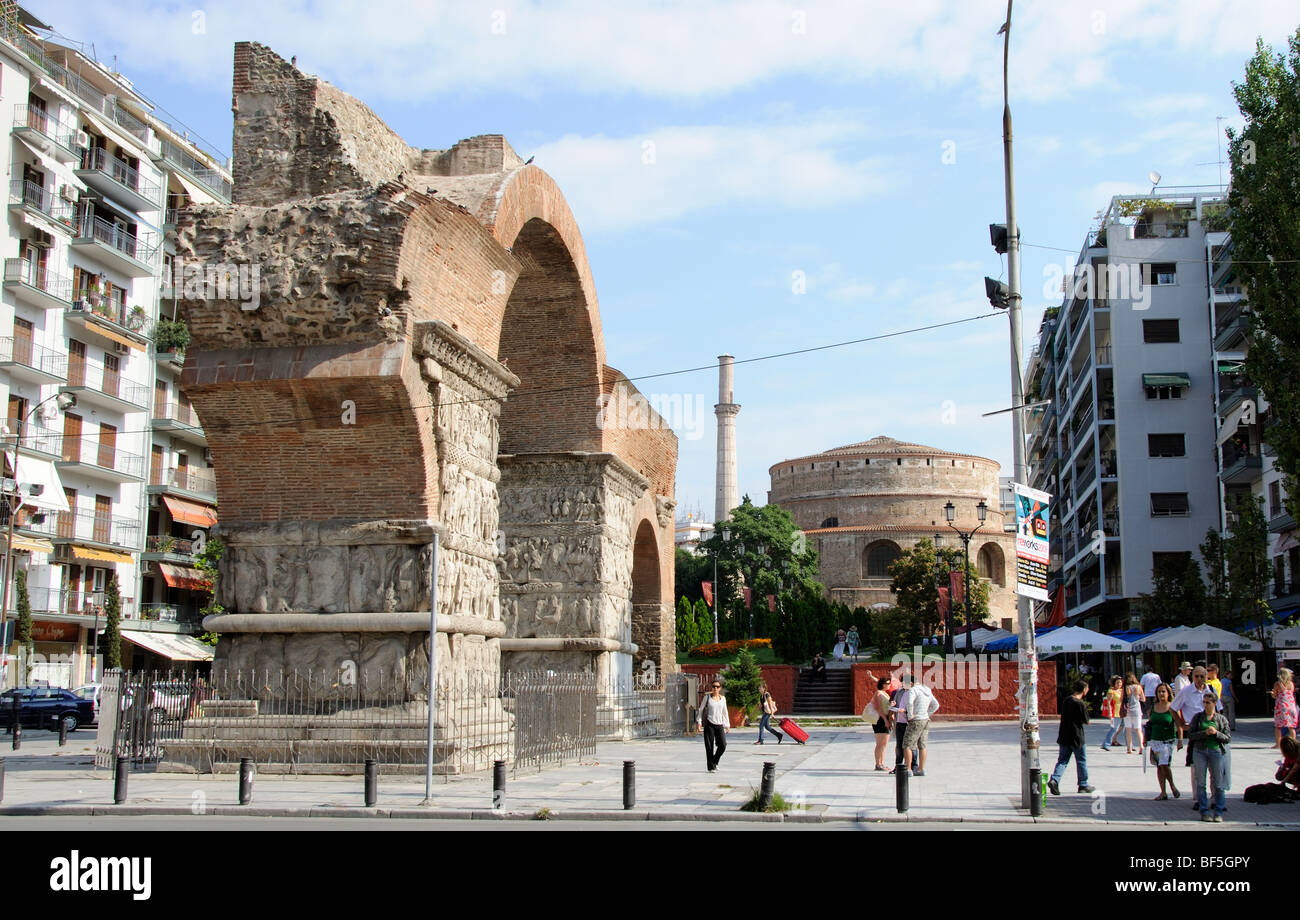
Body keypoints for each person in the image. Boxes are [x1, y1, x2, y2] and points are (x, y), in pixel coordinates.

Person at [1172, 666, 1219, 810]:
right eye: (1196, 676)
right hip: (1196, 733)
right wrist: (1181, 724)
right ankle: (1198, 799)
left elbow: (1220, 709)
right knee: (1196, 769)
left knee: (1214, 767)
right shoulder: (1186, 691)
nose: (1199, 679)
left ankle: (1215, 798)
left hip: (1211, 732)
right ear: (1192, 677)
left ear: (1206, 676)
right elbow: (1173, 708)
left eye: (1202, 676)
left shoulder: (1210, 690)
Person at [1188, 689, 1231, 822]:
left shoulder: (1221, 719)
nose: (1206, 705)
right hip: (1200, 751)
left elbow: (1227, 738)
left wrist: (1216, 733)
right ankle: (1204, 811)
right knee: (1201, 783)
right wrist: (1204, 733)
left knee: (1218, 783)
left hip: (1216, 751)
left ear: (1214, 703)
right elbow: (1190, 735)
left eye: (1208, 703)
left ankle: (1218, 812)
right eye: (1204, 702)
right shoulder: (1198, 717)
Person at [1048, 680, 1096, 796]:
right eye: (1087, 689)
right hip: (1077, 737)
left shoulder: (1066, 700)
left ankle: (1055, 780)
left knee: (1063, 760)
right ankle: (1083, 784)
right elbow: (1086, 721)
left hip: (1064, 735)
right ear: (1084, 690)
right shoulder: (1080, 704)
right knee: (1081, 760)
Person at [901, 674, 939, 777]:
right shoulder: (926, 689)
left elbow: (909, 703)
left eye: (904, 684)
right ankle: (921, 769)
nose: (903, 686)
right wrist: (927, 713)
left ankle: (908, 769)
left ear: (911, 683)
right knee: (922, 745)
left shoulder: (913, 690)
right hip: (925, 719)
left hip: (916, 720)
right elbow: (936, 704)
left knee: (907, 745)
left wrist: (910, 715)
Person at [1147, 682, 1181, 800]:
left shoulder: (1172, 707)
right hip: (1155, 740)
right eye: (1159, 691)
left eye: (1163, 691)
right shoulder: (1153, 707)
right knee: (1159, 766)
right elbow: (1149, 723)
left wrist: (1180, 740)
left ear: (1168, 693)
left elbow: (1179, 724)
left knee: (1164, 764)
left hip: (1168, 740)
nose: (1161, 694)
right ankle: (1163, 792)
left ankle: (1172, 786)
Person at [888, 678, 919, 775]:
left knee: (911, 745)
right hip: (899, 721)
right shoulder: (899, 692)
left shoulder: (915, 693)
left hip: (910, 722)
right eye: (902, 682)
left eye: (905, 682)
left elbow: (917, 708)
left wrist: (905, 712)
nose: (903, 684)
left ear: (912, 683)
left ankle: (913, 766)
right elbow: (894, 702)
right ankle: (898, 766)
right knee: (899, 745)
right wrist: (892, 706)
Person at [696, 680, 729, 772]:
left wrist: (727, 724)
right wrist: (699, 722)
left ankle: (714, 761)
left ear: (720, 688)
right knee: (709, 746)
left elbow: (725, 712)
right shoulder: (707, 698)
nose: (715, 688)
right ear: (711, 688)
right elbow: (701, 710)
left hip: (719, 725)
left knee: (723, 745)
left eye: (717, 687)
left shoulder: (723, 699)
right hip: (709, 724)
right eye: (714, 686)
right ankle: (711, 767)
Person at [862, 676, 893, 770]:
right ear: (883, 684)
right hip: (880, 719)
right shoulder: (878, 694)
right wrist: (885, 720)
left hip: (884, 718)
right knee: (881, 743)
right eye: (888, 683)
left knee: (884, 743)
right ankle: (878, 764)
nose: (889, 685)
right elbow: (878, 708)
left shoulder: (884, 693)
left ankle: (881, 763)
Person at [1272, 668, 1297, 749]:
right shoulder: (1291, 684)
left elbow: (1275, 695)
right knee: (1291, 727)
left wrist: (1272, 693)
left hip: (1282, 707)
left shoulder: (1278, 683)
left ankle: (1278, 744)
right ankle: (1293, 744)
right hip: (1292, 706)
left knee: (1278, 726)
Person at [1123, 672, 1145, 755]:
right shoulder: (1138, 687)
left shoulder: (1126, 687)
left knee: (1128, 729)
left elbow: (1123, 699)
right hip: (1137, 710)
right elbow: (1143, 699)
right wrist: (1137, 698)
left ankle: (1129, 748)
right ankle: (1141, 746)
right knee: (1138, 729)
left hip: (1127, 710)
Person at [1100, 675, 1123, 751]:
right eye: (1117, 683)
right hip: (1115, 712)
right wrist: (1110, 713)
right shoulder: (1111, 691)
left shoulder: (1121, 690)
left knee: (1122, 727)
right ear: (1114, 683)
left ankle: (1108, 742)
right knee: (1114, 728)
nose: (1119, 684)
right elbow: (1108, 702)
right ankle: (1107, 744)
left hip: (1122, 712)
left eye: (1120, 682)